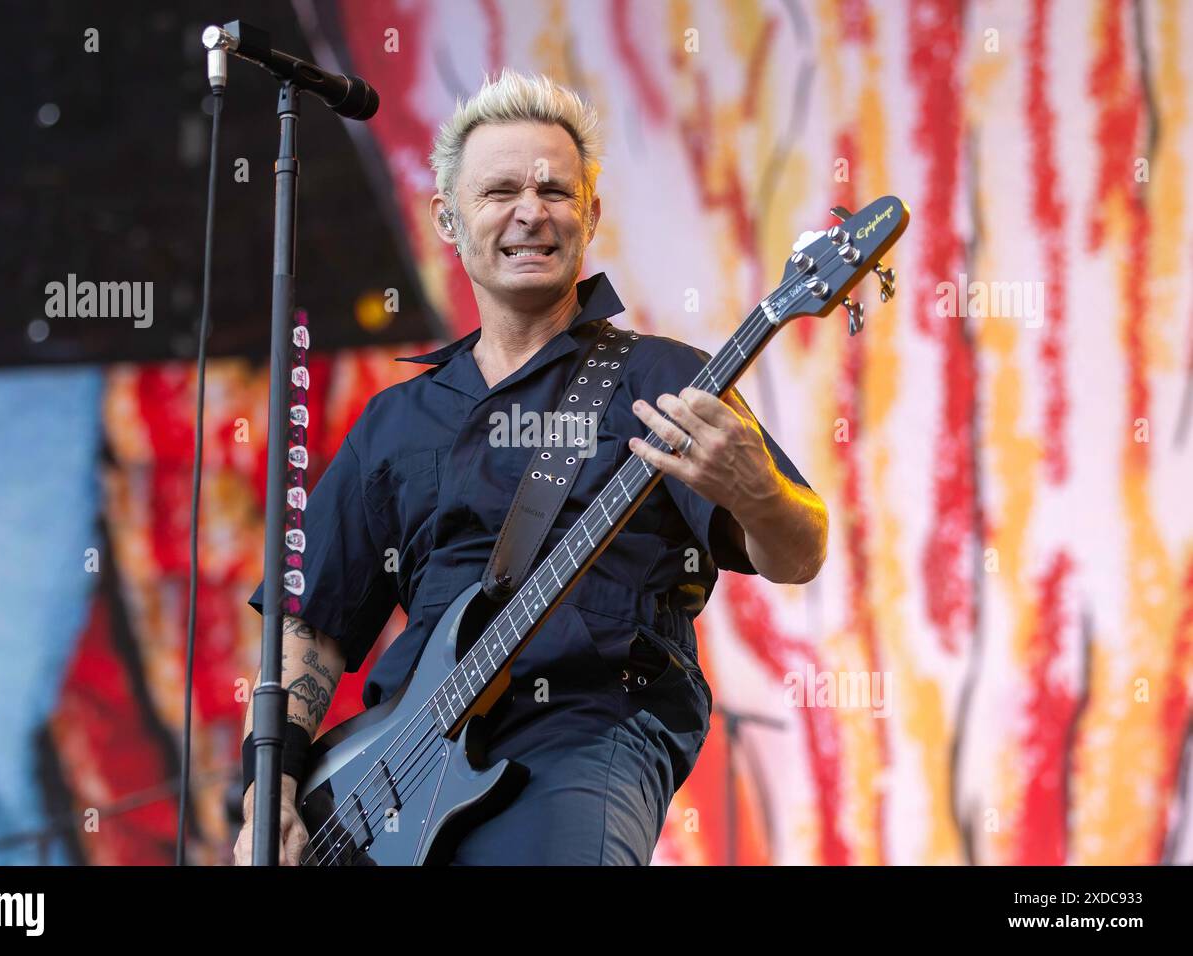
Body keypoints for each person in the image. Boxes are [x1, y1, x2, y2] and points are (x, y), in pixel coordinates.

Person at [233, 69, 827, 866]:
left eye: (556, 190)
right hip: (387, 777)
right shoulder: (397, 420)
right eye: (500, 190)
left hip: (588, 729)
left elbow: (798, 552)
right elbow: (311, 627)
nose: (531, 211)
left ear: (590, 215)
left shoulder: (659, 378)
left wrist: (760, 493)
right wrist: (267, 794)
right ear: (448, 218)